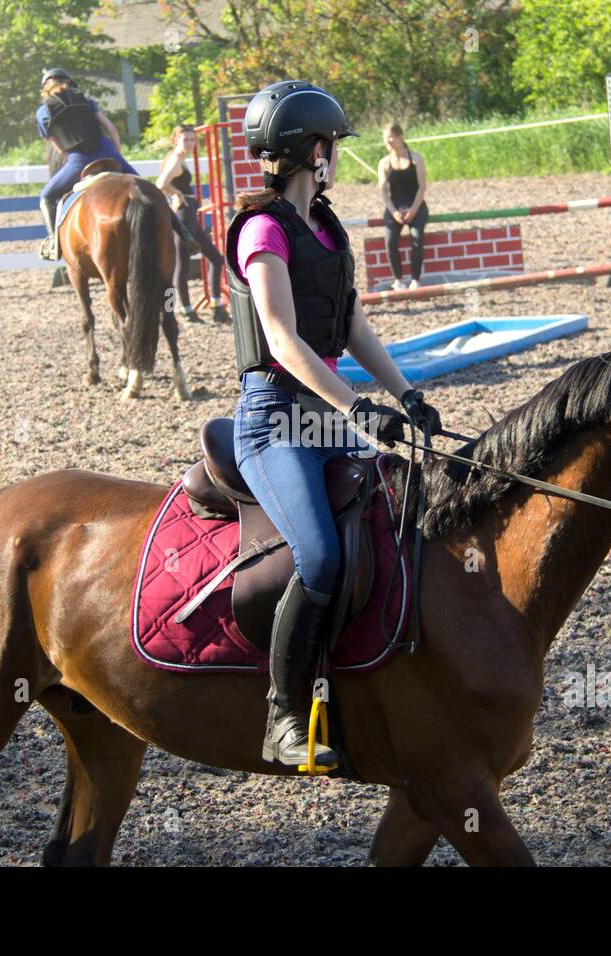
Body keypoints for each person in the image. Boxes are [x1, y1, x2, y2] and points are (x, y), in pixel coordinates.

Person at [225, 81, 442, 768]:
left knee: (408, 510)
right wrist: (355, 407)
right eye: (334, 147)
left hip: (326, 417)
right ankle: (283, 716)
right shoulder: (262, 232)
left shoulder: (325, 226)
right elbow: (285, 342)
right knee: (319, 557)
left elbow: (346, 324)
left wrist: (405, 392)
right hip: (274, 424)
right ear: (313, 152)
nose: (338, 158)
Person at [35, 68, 198, 261]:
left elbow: (60, 148)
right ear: (70, 83)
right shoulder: (86, 101)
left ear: (45, 89)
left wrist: (75, 160)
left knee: (46, 197)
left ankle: (54, 243)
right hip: (107, 151)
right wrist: (116, 155)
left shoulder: (43, 112)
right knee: (150, 190)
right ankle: (184, 234)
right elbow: (111, 128)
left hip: (79, 159)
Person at [157, 124, 228, 322]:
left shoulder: (178, 158)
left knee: (215, 258)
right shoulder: (176, 160)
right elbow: (161, 184)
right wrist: (177, 194)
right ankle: (185, 309)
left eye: (192, 139)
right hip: (183, 216)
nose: (190, 143)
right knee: (182, 265)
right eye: (185, 139)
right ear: (175, 140)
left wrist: (177, 194)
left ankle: (216, 305)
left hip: (189, 215)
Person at [377, 124, 429, 290]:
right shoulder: (384, 163)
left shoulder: (416, 158)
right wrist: (394, 212)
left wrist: (413, 210)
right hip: (395, 207)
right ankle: (398, 280)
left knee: (417, 237)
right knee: (391, 241)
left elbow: (422, 187)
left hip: (416, 204)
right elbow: (383, 191)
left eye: (390, 137)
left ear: (400, 137)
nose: (388, 141)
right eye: (385, 138)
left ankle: (416, 279)